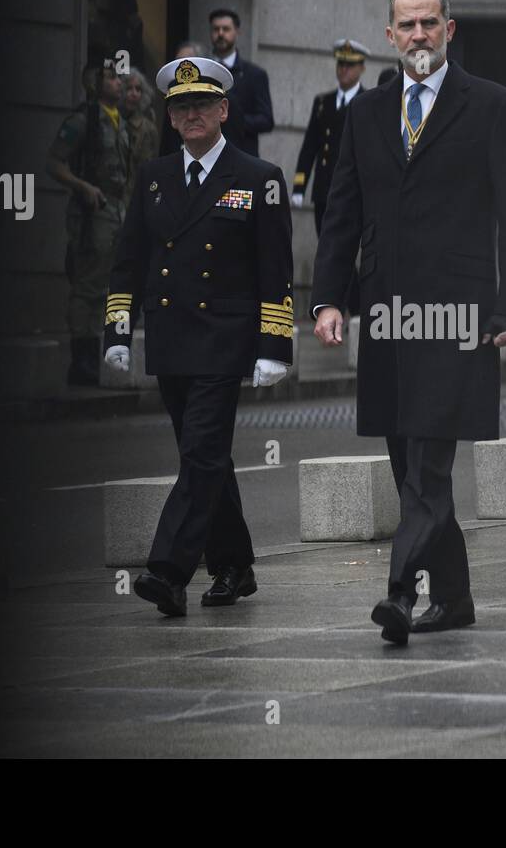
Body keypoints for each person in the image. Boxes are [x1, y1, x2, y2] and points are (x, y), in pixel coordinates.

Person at [311, 0, 506, 645]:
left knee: (428, 465)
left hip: (458, 319)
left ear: (449, 29)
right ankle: (457, 597)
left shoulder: (492, 107)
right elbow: (340, 214)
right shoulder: (367, 114)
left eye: (429, 24)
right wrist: (327, 299)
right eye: (406, 26)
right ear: (389, 35)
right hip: (386, 316)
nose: (418, 35)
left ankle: (400, 594)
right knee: (405, 460)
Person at [102, 55, 294, 617]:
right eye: (180, 107)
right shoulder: (154, 178)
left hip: (223, 340)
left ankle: (168, 571)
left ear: (223, 110)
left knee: (201, 452)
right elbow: (128, 259)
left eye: (201, 105)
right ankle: (234, 564)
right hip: (170, 340)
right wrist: (118, 327)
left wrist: (274, 346)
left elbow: (274, 270)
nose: (190, 115)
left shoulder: (259, 179)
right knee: (207, 457)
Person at [46, 54, 132, 386]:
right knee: (87, 286)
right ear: (94, 83)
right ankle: (81, 364)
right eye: (111, 77)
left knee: (107, 288)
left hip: (116, 210)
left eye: (119, 77)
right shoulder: (83, 120)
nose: (119, 82)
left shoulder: (119, 120)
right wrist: (82, 187)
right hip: (91, 214)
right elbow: (54, 162)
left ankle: (94, 360)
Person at [292, 39, 369, 235]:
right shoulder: (322, 103)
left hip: (352, 192)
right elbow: (309, 147)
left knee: (344, 255)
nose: (343, 70)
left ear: (362, 68)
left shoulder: (368, 103)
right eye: (340, 64)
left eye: (350, 65)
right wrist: (299, 186)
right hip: (323, 190)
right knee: (325, 246)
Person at [209, 8, 274, 156]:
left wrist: (232, 119)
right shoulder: (203, 71)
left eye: (226, 29)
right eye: (215, 29)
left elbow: (266, 120)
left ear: (237, 32)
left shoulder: (255, 74)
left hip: (242, 156)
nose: (220, 34)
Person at [121, 67, 159, 171]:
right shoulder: (113, 121)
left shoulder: (149, 129)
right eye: (129, 88)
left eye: (138, 89)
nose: (134, 94)